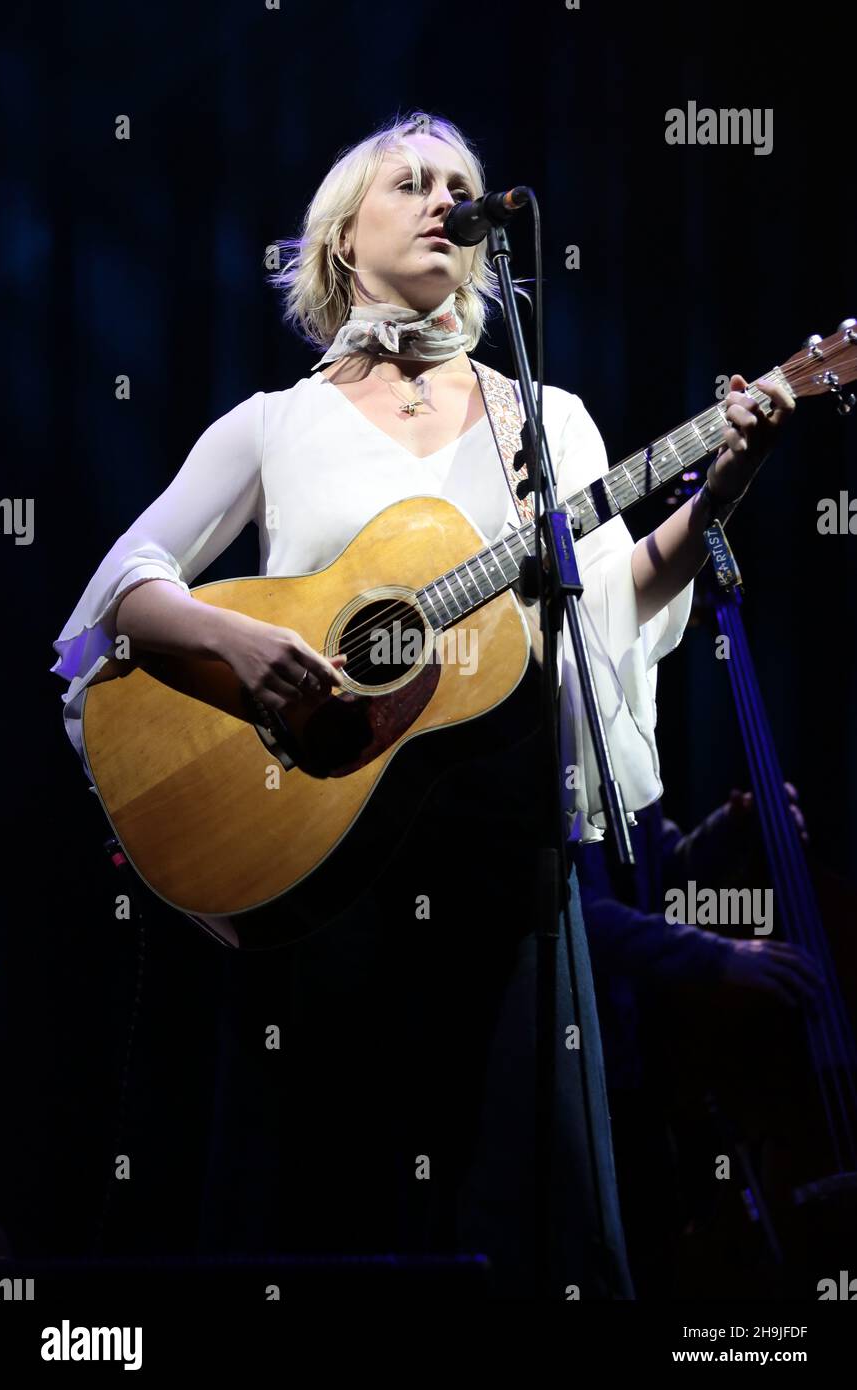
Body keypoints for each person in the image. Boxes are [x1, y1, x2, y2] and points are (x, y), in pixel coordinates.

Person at [49, 110, 794, 1300]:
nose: (446, 195)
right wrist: (230, 640)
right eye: (412, 180)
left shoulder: (541, 423)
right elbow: (104, 609)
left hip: (507, 883)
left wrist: (724, 488)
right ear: (345, 239)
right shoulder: (272, 423)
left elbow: (604, 607)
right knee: (320, 1229)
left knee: (542, 1227)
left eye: (463, 183)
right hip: (317, 871)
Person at [576, 785, 822, 1295]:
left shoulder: (625, 742)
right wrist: (719, 956)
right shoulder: (551, 753)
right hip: (580, 1070)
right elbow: (581, 916)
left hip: (643, 1074)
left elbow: (662, 875)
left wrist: (731, 829)